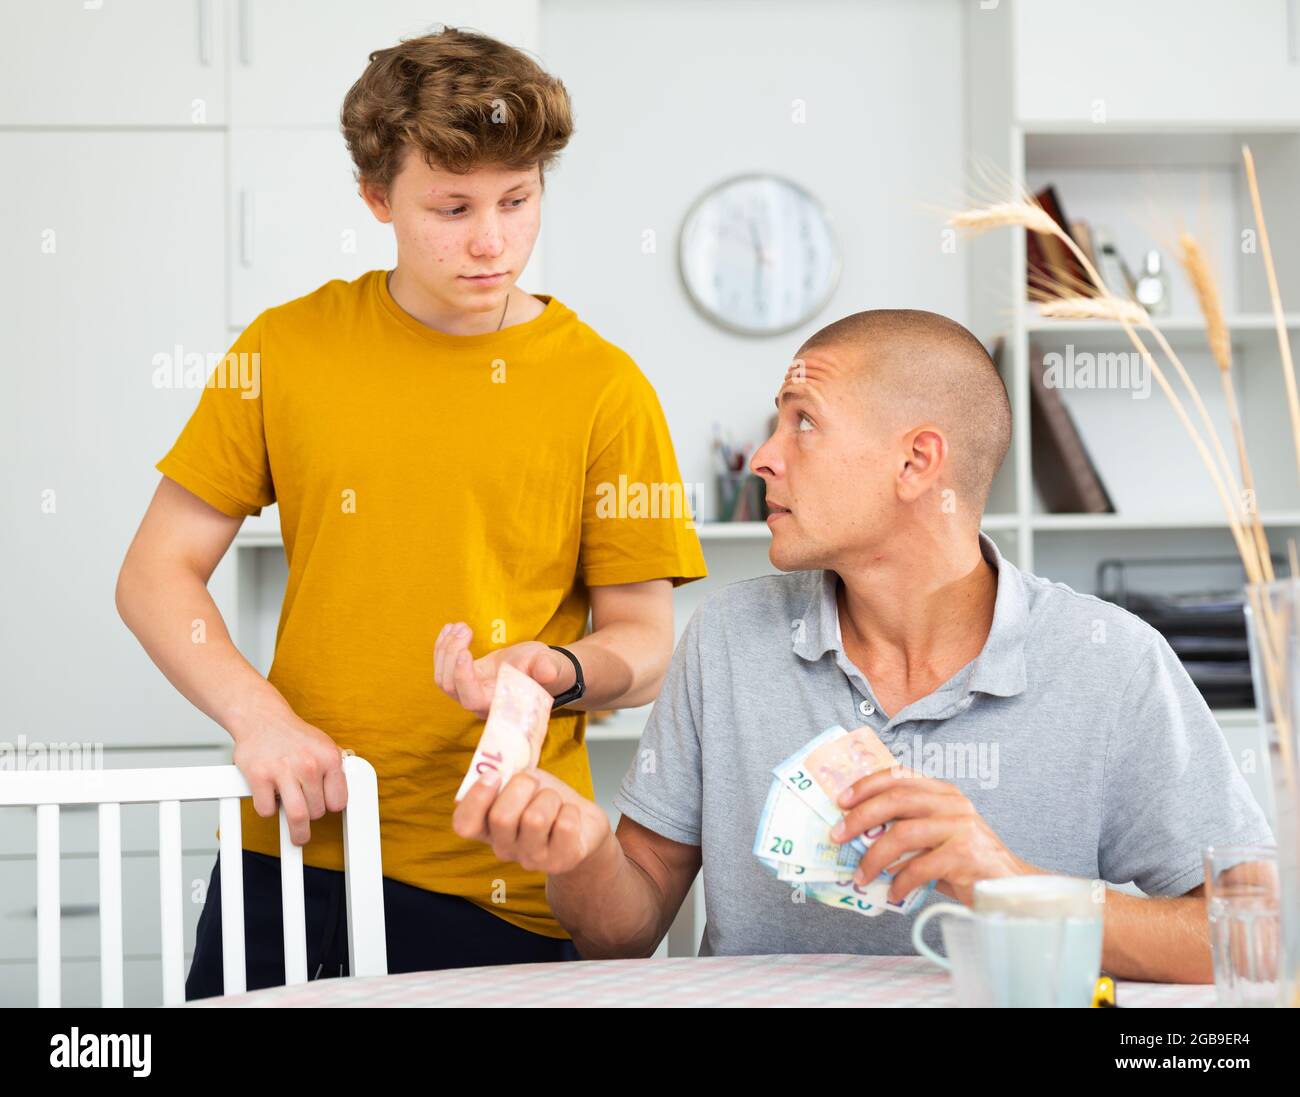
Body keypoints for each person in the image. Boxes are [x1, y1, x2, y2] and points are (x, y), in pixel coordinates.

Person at [115, 27, 705, 999]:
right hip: (293, 845)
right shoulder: (289, 347)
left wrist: (559, 671)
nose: (491, 240)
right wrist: (256, 716)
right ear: (376, 199)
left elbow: (644, 642)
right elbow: (154, 571)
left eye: (518, 200)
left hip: (498, 871)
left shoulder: (605, 387)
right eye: (452, 206)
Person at [453, 308, 1274, 983]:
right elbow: (621, 935)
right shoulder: (729, 640)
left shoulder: (1111, 661)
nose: (765, 458)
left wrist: (1008, 885)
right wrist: (586, 852)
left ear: (917, 461)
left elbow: (1253, 933)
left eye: (803, 422)